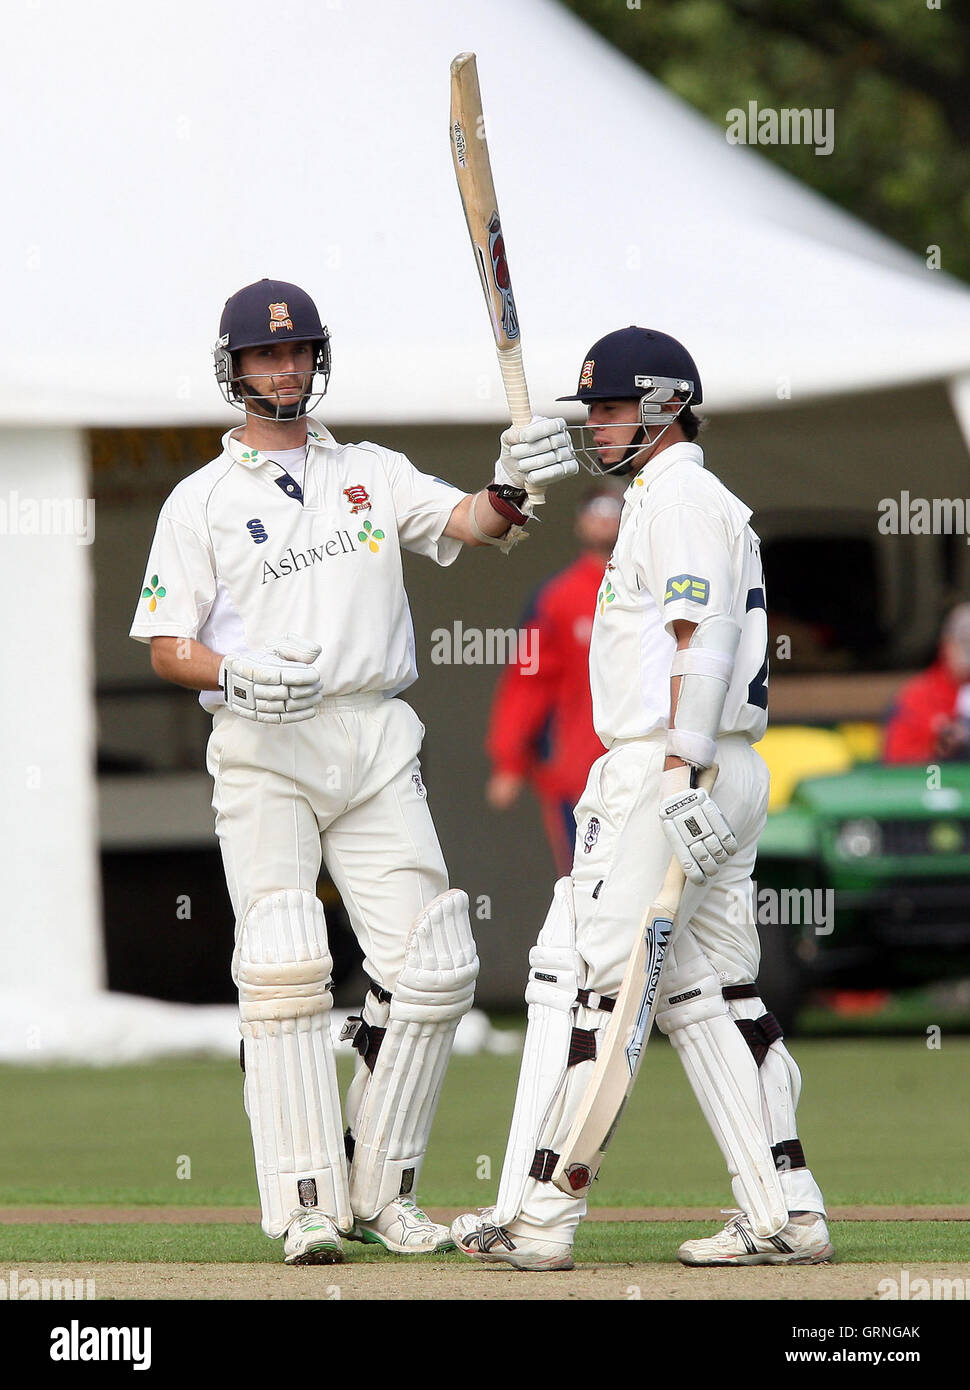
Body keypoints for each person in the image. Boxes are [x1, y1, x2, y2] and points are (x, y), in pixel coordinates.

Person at [129, 278, 577, 1265]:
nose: (283, 369)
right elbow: (167, 645)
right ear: (234, 369)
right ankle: (303, 1203)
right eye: (264, 356)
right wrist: (236, 671)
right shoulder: (200, 501)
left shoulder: (370, 469)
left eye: (296, 354)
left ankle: (381, 1189)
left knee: (434, 961)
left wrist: (511, 482)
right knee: (286, 960)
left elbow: (474, 524)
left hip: (372, 735)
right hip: (263, 748)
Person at [452, 326, 833, 1270]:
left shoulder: (682, 499)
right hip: (716, 767)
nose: (602, 426)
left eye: (615, 407)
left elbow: (698, 639)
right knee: (712, 993)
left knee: (590, 986)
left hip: (674, 763)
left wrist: (679, 770)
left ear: (665, 404)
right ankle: (786, 1213)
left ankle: (539, 1218)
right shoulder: (672, 498)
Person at [485, 485, 623, 874]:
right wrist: (509, 759)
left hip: (651, 770)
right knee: (584, 884)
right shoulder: (554, 598)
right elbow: (526, 677)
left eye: (615, 507)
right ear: (579, 521)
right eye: (594, 507)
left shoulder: (661, 589)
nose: (604, 516)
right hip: (576, 775)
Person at [883, 603, 970, 763]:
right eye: (966, 644)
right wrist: (939, 748)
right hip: (935, 781)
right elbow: (896, 763)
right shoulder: (918, 696)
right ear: (947, 646)